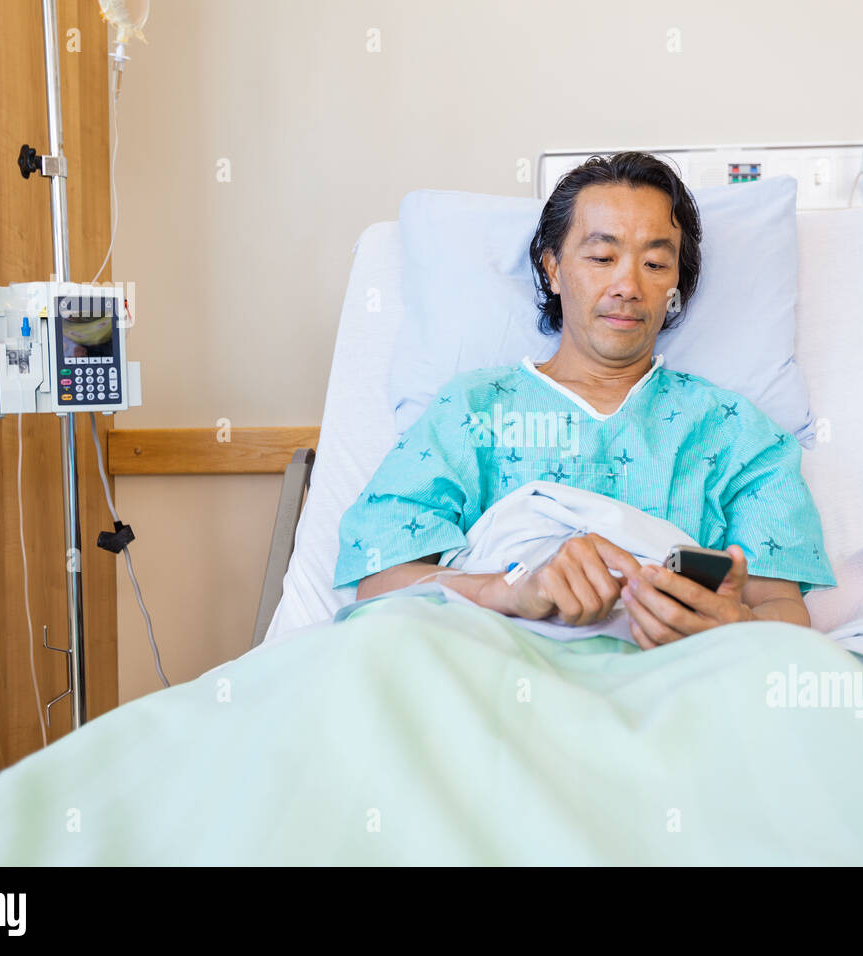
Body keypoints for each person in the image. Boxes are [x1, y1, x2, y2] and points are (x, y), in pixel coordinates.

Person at [333, 152, 835, 648]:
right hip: (495, 672)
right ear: (552, 269)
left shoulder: (735, 433)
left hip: (672, 684)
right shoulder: (472, 411)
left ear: (675, 286)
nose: (628, 286)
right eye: (601, 257)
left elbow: (781, 606)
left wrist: (733, 631)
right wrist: (509, 589)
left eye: (656, 263)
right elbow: (379, 582)